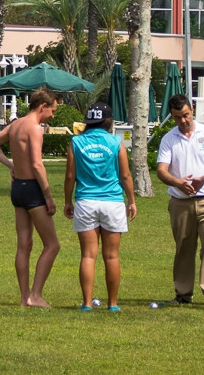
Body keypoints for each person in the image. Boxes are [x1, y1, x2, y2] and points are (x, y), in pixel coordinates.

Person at [0, 89, 61, 308]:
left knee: (24, 245)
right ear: (42, 107)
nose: (53, 116)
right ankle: (35, 296)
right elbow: (37, 164)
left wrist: (11, 165)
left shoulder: (16, 125)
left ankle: (24, 297)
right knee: (52, 245)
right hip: (32, 190)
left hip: (18, 188)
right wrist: (48, 195)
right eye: (52, 111)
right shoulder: (34, 128)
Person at [64, 103, 135, 311]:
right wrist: (132, 200)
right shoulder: (116, 142)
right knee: (112, 256)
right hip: (112, 201)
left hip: (86, 201)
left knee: (88, 255)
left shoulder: (76, 142)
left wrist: (67, 201)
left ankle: (87, 303)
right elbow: (125, 175)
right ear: (108, 121)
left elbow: (70, 175)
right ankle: (113, 304)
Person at [155, 94, 204, 306]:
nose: (183, 121)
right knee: (183, 248)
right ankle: (183, 293)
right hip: (180, 202)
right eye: (177, 117)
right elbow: (161, 170)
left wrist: (203, 180)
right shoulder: (169, 139)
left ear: (192, 110)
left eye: (185, 115)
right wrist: (177, 182)